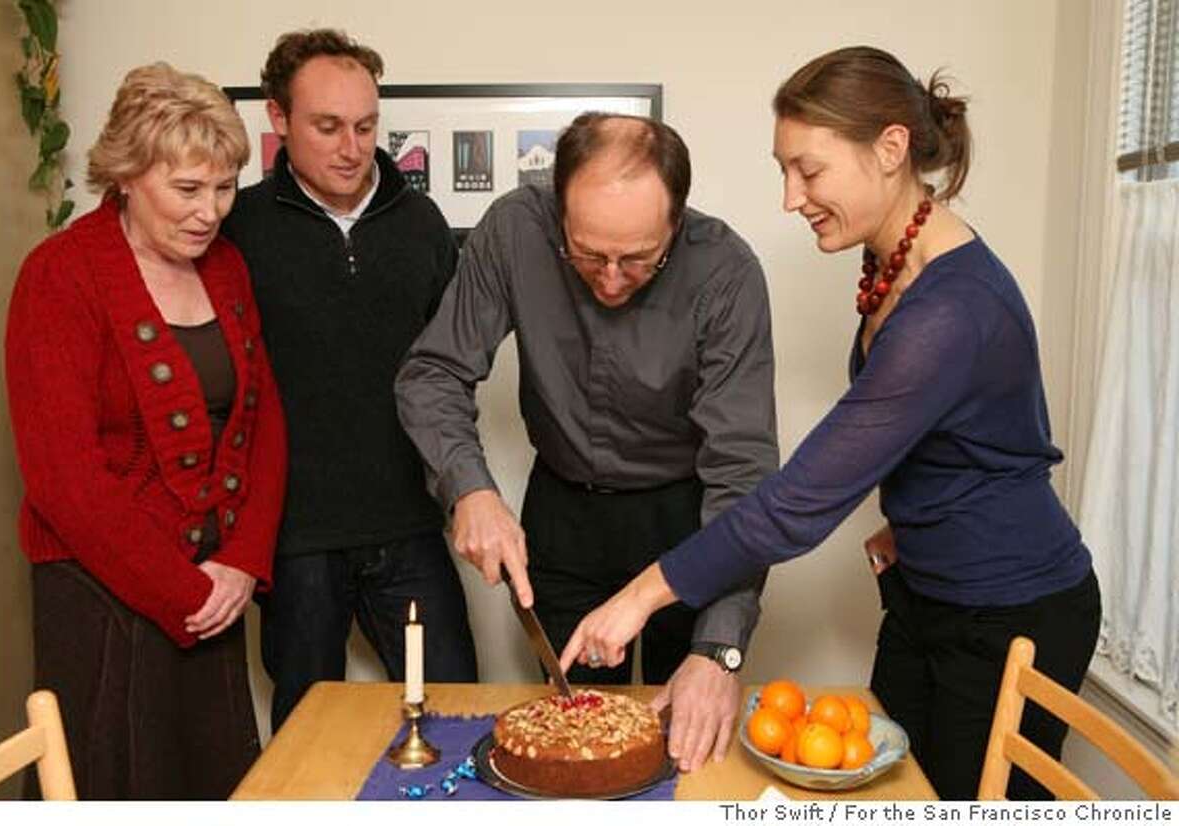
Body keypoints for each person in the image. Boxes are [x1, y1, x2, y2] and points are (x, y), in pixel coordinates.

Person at [558, 47, 1101, 801]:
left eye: (808, 171)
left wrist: (638, 597)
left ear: (890, 148)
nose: (790, 197)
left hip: (1011, 615)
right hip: (926, 591)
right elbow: (989, 433)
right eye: (784, 170)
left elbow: (794, 508)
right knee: (886, 796)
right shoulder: (897, 264)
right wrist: (918, 514)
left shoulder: (950, 310)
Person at [396, 113, 781, 772]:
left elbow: (742, 474)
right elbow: (433, 373)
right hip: (564, 517)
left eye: (636, 259)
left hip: (688, 526)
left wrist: (720, 651)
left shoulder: (726, 271)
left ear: (677, 222)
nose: (608, 280)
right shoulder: (515, 230)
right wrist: (472, 490)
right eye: (587, 253)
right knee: (573, 745)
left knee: (679, 747)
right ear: (558, 207)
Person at [5, 63, 286, 799]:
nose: (210, 212)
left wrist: (241, 561)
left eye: (224, 189)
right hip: (102, 598)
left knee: (212, 787)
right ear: (127, 175)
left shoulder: (225, 268)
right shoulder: (59, 275)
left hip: (209, 588)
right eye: (188, 190)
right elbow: (64, 479)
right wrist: (181, 590)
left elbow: (262, 420)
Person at [220, 28, 477, 734]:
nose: (351, 146)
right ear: (278, 119)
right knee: (306, 728)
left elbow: (449, 372)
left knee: (457, 712)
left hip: (410, 521)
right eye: (327, 126)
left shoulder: (421, 223)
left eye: (366, 126)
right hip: (295, 533)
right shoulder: (237, 227)